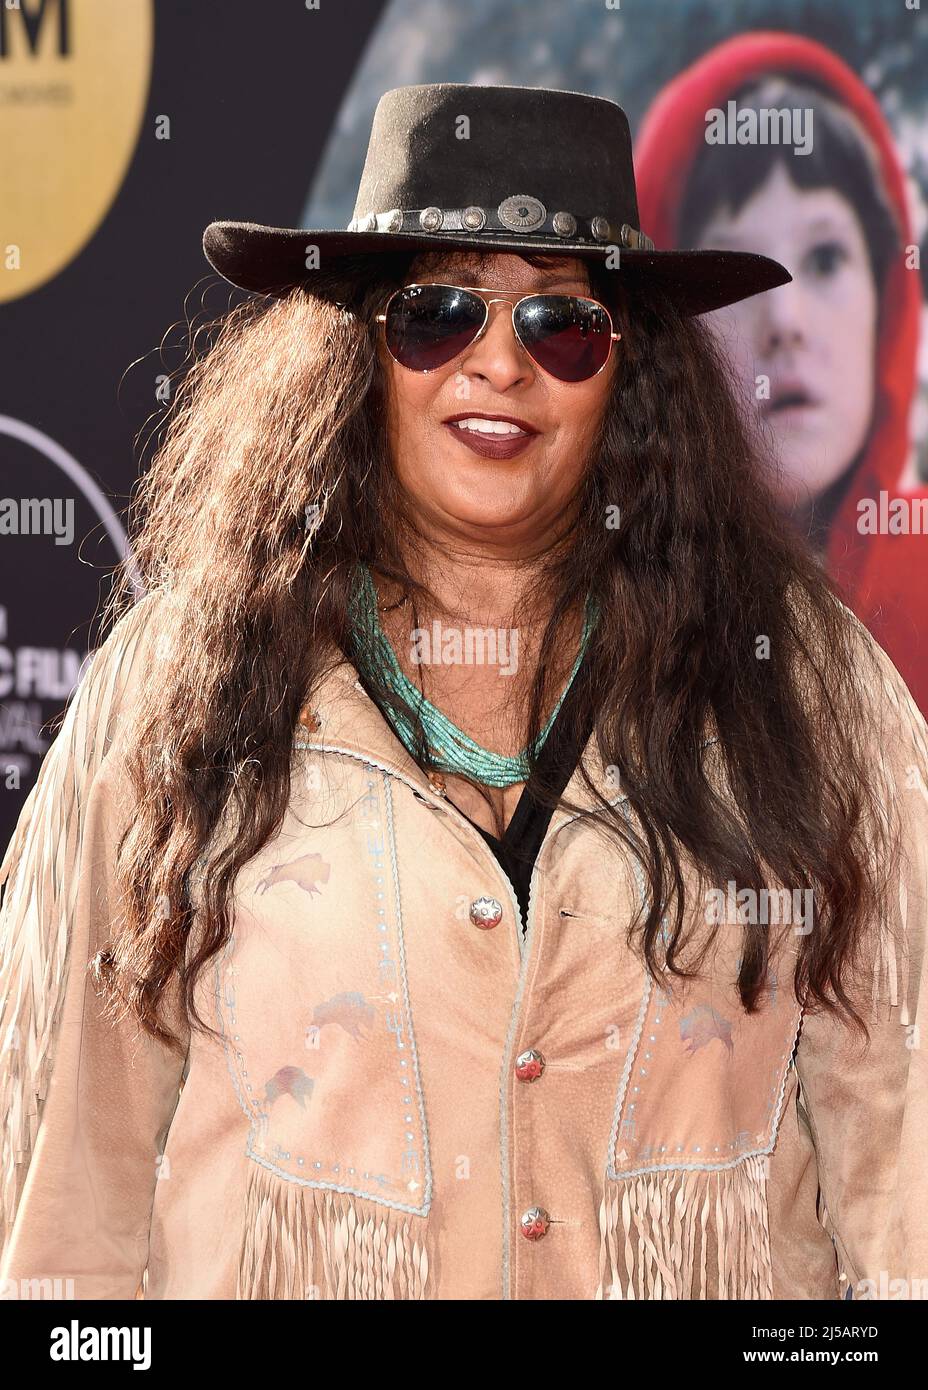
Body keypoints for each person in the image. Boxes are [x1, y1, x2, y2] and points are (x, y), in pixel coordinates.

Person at [0, 81, 926, 1302]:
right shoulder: (177, 694)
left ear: (627, 373)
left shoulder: (803, 692)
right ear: (357, 353)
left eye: (562, 326)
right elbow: (67, 1197)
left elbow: (902, 1143)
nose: (498, 363)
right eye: (436, 315)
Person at [634, 31, 928, 717]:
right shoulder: (609, 621)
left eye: (825, 260)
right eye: (739, 276)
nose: (786, 320)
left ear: (889, 301)